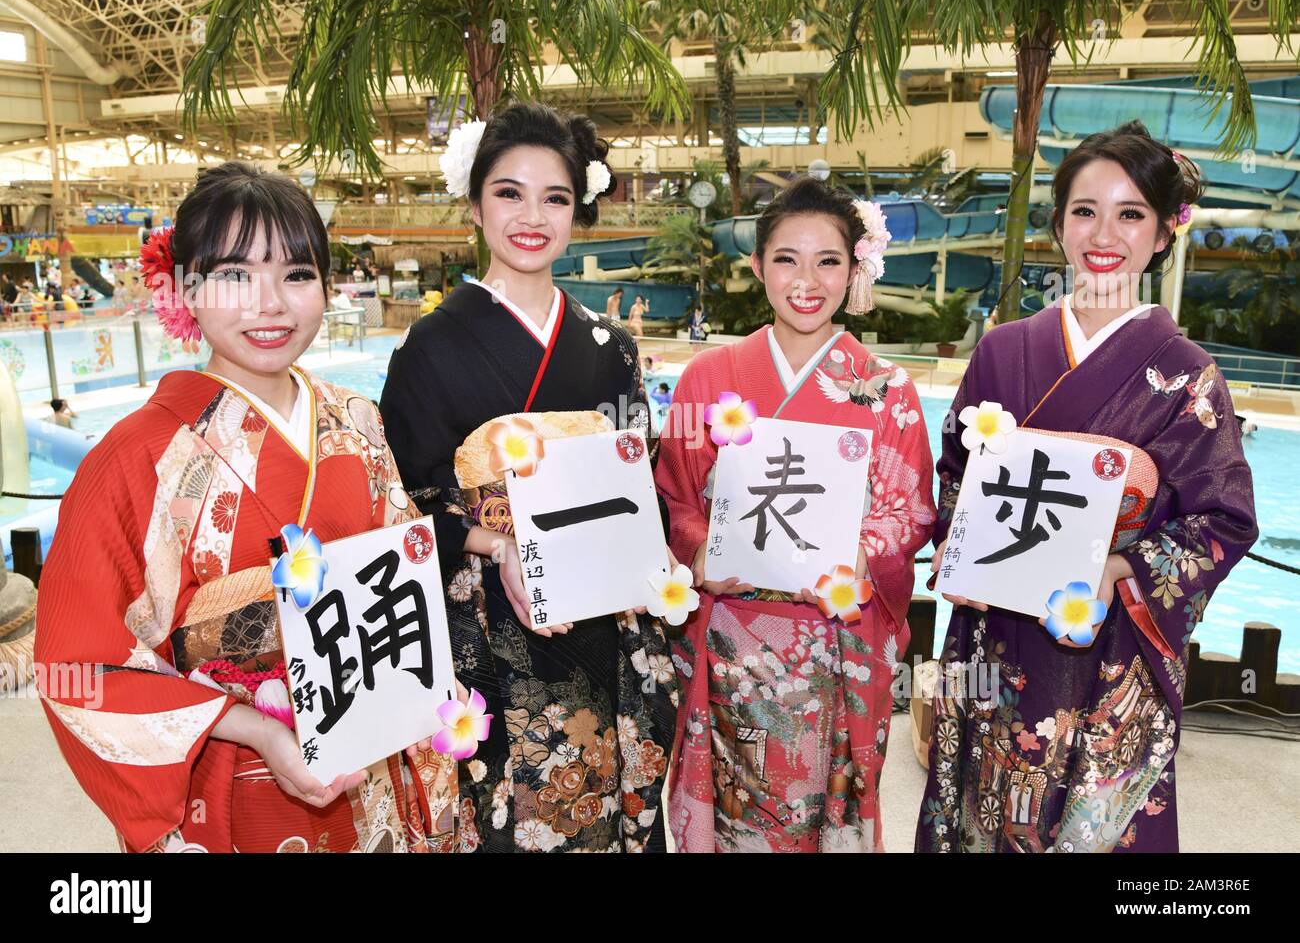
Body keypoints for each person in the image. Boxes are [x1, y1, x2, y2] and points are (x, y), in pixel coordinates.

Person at [34, 161, 459, 853]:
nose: (271, 304)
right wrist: (254, 724)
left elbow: (401, 575)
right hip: (231, 776)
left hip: (370, 751)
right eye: (235, 275)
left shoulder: (355, 418)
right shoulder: (135, 457)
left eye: (297, 274)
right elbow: (74, 664)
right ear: (184, 290)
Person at [916, 121, 1257, 853]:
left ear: (1165, 232)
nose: (1105, 233)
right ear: (1060, 223)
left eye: (1130, 213)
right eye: (1084, 210)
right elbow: (952, 471)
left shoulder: (1185, 373)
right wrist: (961, 547)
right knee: (983, 809)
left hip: (1110, 640)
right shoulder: (1005, 350)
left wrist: (1121, 566)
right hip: (995, 628)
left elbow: (1223, 519)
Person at [380, 102, 677, 852]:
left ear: (579, 210)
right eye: (509, 192)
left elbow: (638, 478)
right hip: (490, 625)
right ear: (475, 202)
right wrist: (494, 543)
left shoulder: (609, 347)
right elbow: (401, 505)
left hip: (601, 618)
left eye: (556, 197)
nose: (532, 216)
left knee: (607, 794)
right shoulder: (430, 347)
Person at [656, 177, 936, 851]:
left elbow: (912, 509)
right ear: (757, 266)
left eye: (827, 261)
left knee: (820, 815)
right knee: (729, 805)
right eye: (786, 258)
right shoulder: (708, 378)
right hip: (728, 635)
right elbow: (674, 496)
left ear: (854, 268)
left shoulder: (886, 389)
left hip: (831, 645)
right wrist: (701, 555)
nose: (805, 280)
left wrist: (855, 555)